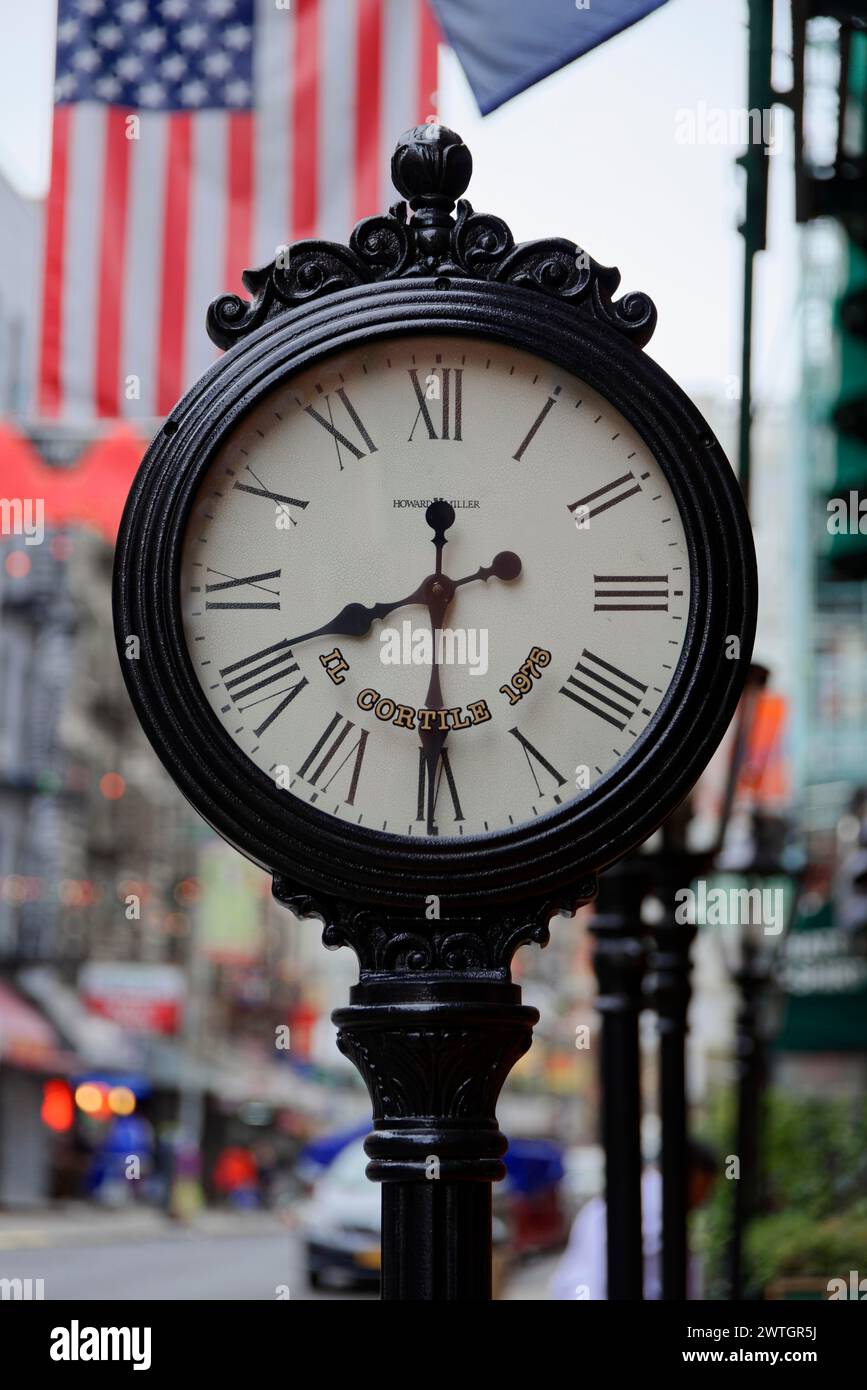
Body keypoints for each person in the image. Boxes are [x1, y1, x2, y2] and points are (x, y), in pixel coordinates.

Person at [549, 1141, 717, 1300]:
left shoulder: (642, 1196)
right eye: (707, 1185)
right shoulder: (657, 1204)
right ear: (694, 1175)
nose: (706, 1197)